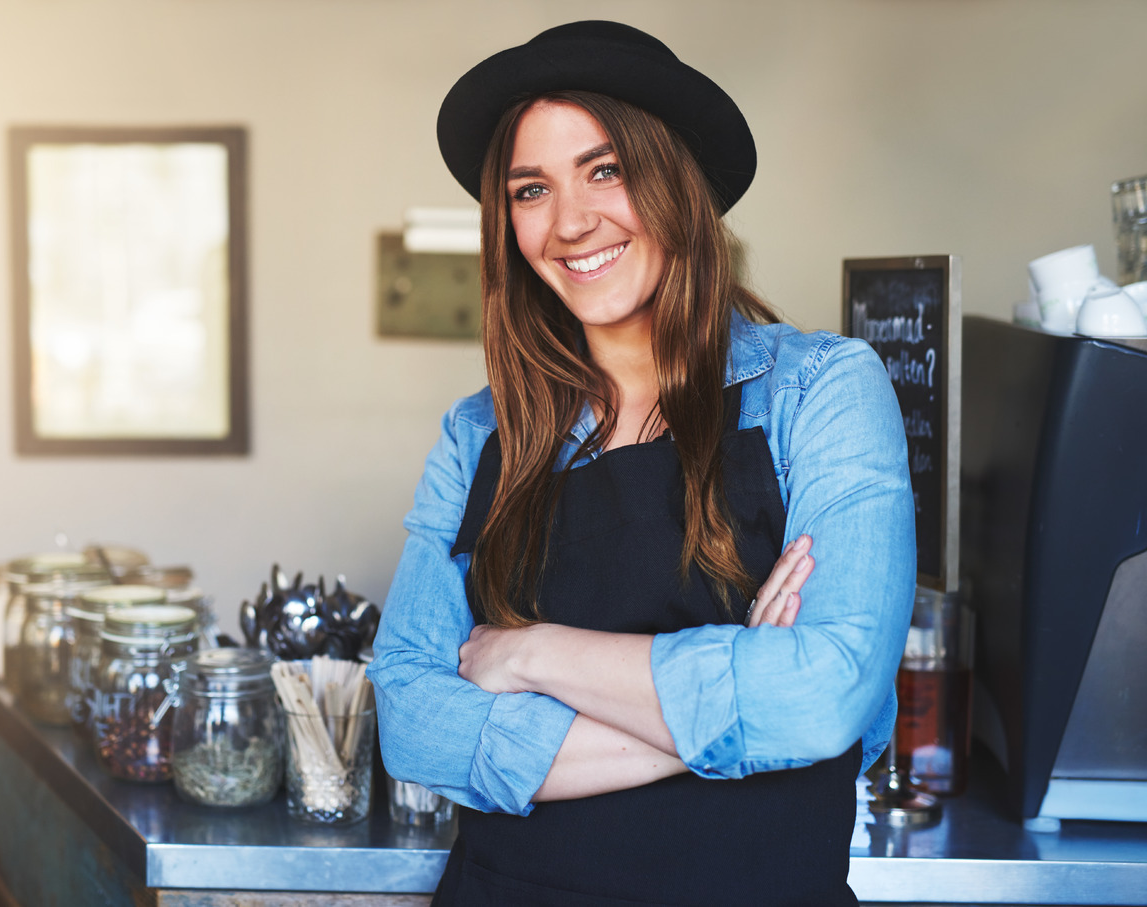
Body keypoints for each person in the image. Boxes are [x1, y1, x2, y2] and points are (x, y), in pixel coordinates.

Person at [368, 20, 915, 907]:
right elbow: (414, 720)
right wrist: (735, 697)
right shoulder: (480, 436)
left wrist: (532, 653)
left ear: (676, 180)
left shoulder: (822, 390)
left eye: (606, 170)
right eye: (531, 188)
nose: (571, 222)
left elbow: (826, 696)